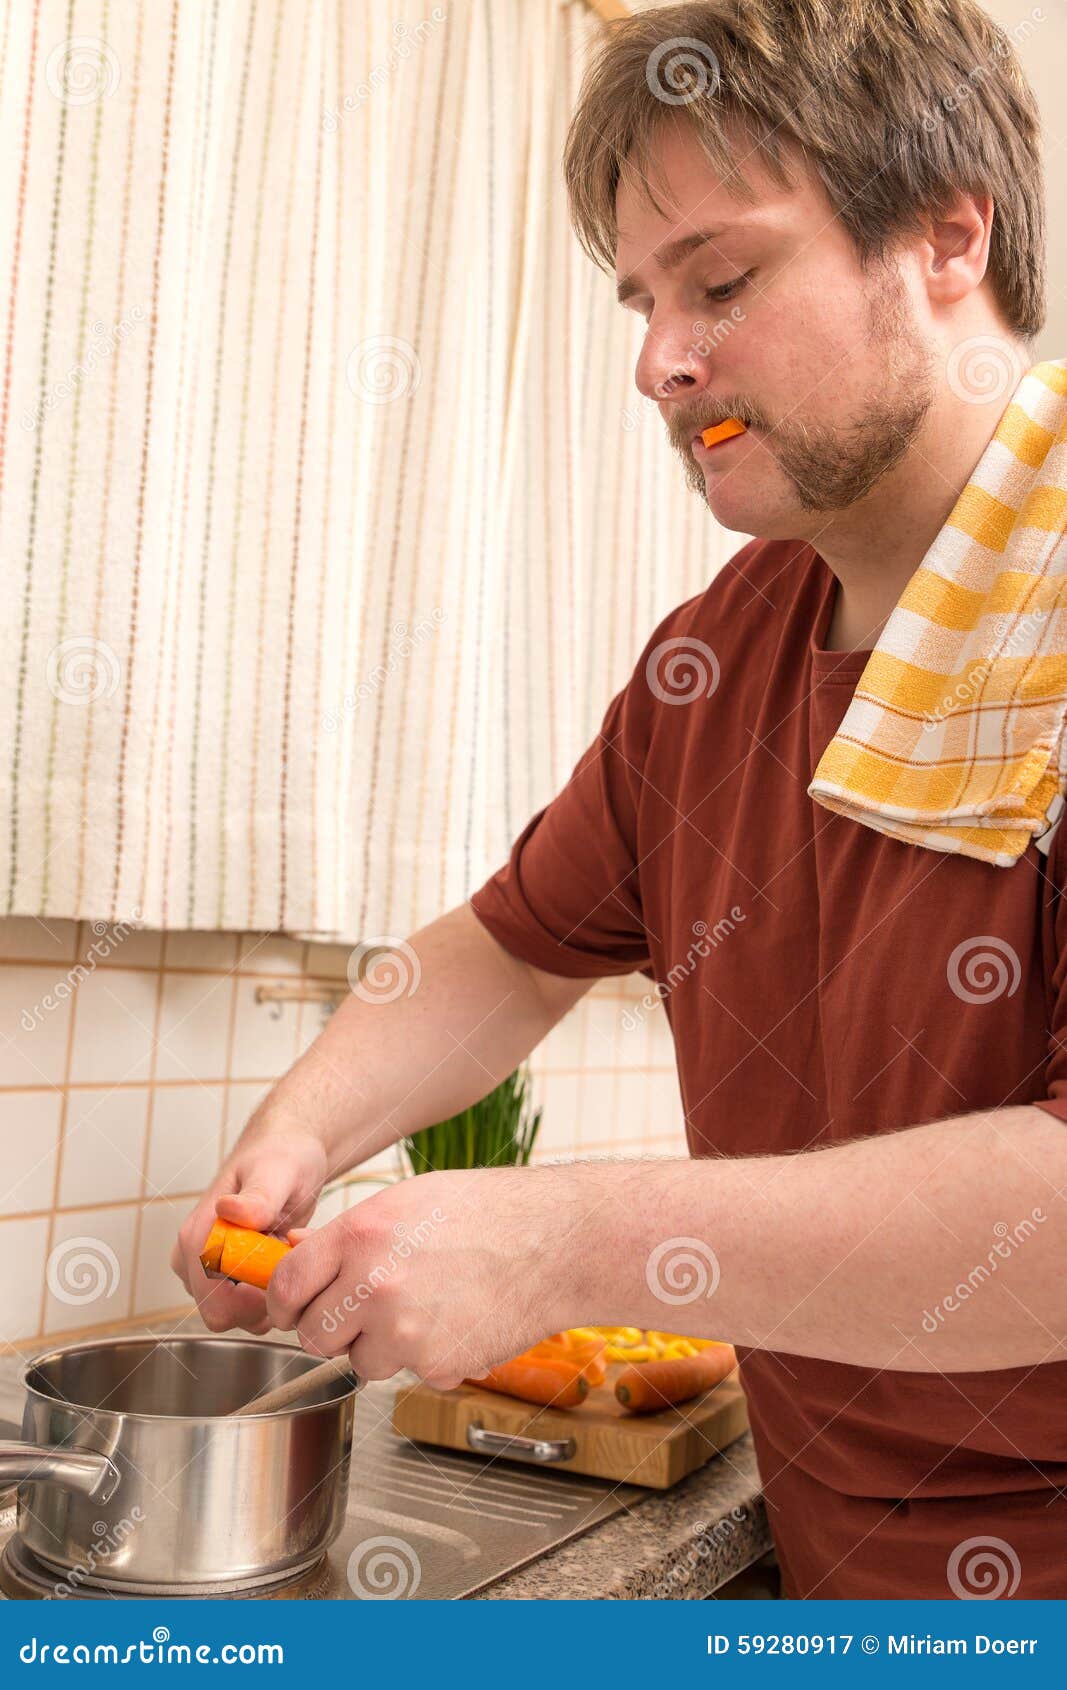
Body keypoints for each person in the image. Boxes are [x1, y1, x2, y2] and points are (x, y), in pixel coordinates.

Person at [174, 0, 1067, 1598]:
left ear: (949, 238)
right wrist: (294, 1134)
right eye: (644, 301)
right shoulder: (711, 660)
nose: (661, 362)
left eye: (721, 282)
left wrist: (570, 1242)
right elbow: (513, 950)